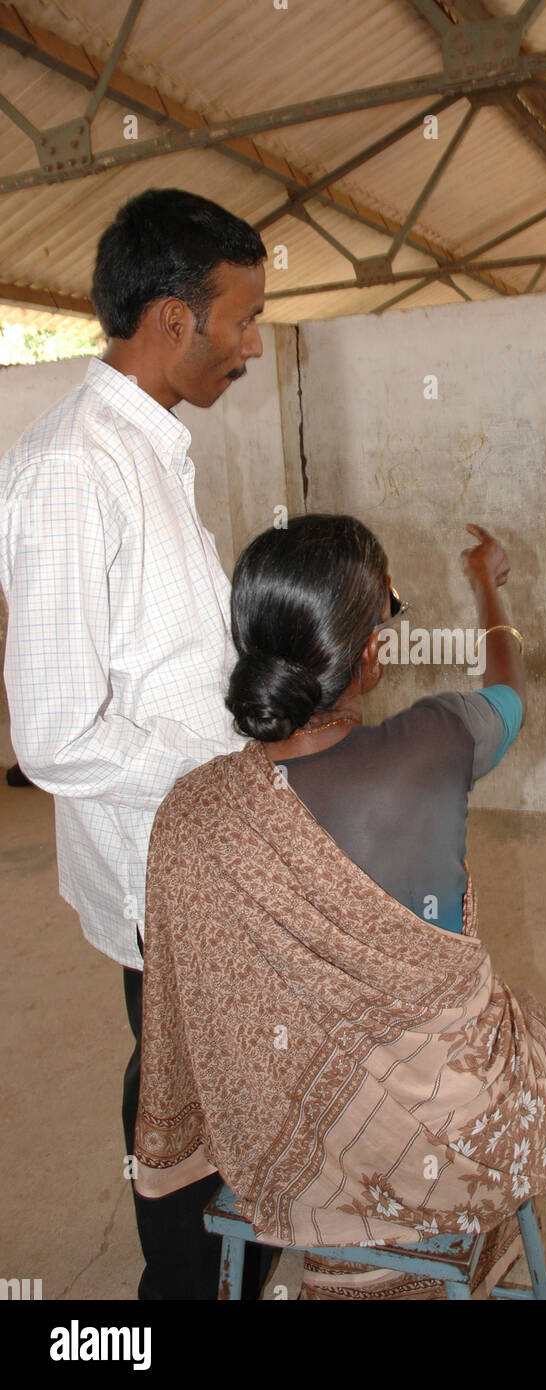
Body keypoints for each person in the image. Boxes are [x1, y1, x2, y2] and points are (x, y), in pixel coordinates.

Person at [134, 514, 546, 1300]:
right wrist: (486, 588)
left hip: (278, 1145)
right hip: (447, 1137)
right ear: (370, 651)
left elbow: (176, 1006)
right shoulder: (440, 741)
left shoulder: (192, 814)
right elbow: (511, 689)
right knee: (530, 1037)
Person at [0, 187, 274, 1299]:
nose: (252, 345)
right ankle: (180, 1291)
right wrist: (216, 766)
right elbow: (57, 736)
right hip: (158, 862)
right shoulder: (74, 468)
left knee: (198, 1079)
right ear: (172, 319)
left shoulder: (153, 451)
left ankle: (221, 1264)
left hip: (204, 842)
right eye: (241, 319)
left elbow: (167, 660)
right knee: (178, 1096)